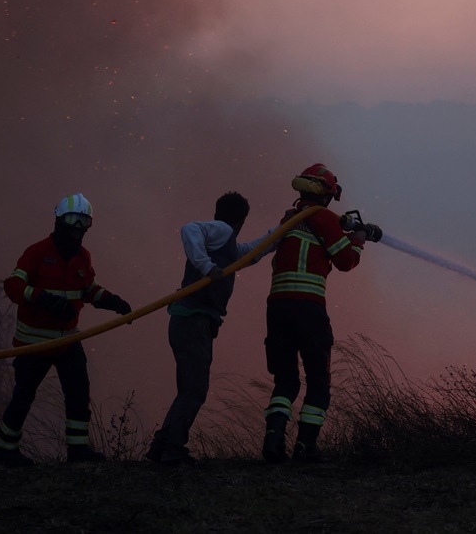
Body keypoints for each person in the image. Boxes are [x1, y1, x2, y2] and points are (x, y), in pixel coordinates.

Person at [0, 193, 133, 467]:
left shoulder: (82, 256)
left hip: (69, 341)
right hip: (34, 344)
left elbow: (88, 289)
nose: (77, 228)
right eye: (73, 220)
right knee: (23, 396)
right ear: (59, 220)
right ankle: (6, 452)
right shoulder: (36, 252)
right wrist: (43, 298)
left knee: (78, 393)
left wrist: (112, 301)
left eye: (84, 222)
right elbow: (12, 286)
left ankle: (78, 452)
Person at [145, 192, 279, 466]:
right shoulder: (222, 230)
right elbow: (189, 229)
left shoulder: (227, 245)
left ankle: (161, 445)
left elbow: (254, 251)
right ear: (241, 219)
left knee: (189, 389)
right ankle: (172, 449)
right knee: (195, 389)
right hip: (192, 320)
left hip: (192, 321)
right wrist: (207, 267)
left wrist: (281, 230)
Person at [262, 163, 381, 463]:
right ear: (327, 195)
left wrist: (345, 227)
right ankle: (306, 447)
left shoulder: (288, 220)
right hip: (308, 310)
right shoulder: (325, 219)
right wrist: (360, 239)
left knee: (285, 382)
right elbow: (345, 262)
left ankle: (273, 441)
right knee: (318, 380)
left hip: (277, 309)